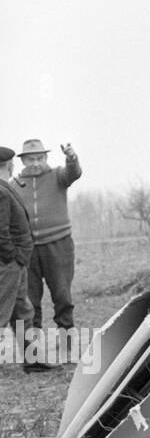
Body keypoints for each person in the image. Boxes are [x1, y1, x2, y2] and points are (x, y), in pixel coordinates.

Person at [12, 139, 82, 333]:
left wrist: (71, 157)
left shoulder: (58, 176)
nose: (35, 163)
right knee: (30, 301)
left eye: (39, 158)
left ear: (45, 158)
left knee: (62, 297)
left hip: (59, 245)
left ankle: (67, 344)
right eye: (31, 159)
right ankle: (35, 353)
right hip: (28, 250)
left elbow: (74, 173)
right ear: (23, 161)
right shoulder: (15, 184)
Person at [0, 146, 34, 354]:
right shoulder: (1, 192)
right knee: (1, 313)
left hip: (16, 263)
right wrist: (13, 256)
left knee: (23, 312)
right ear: (9, 165)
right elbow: (1, 231)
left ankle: (33, 359)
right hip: (8, 264)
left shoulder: (5, 188)